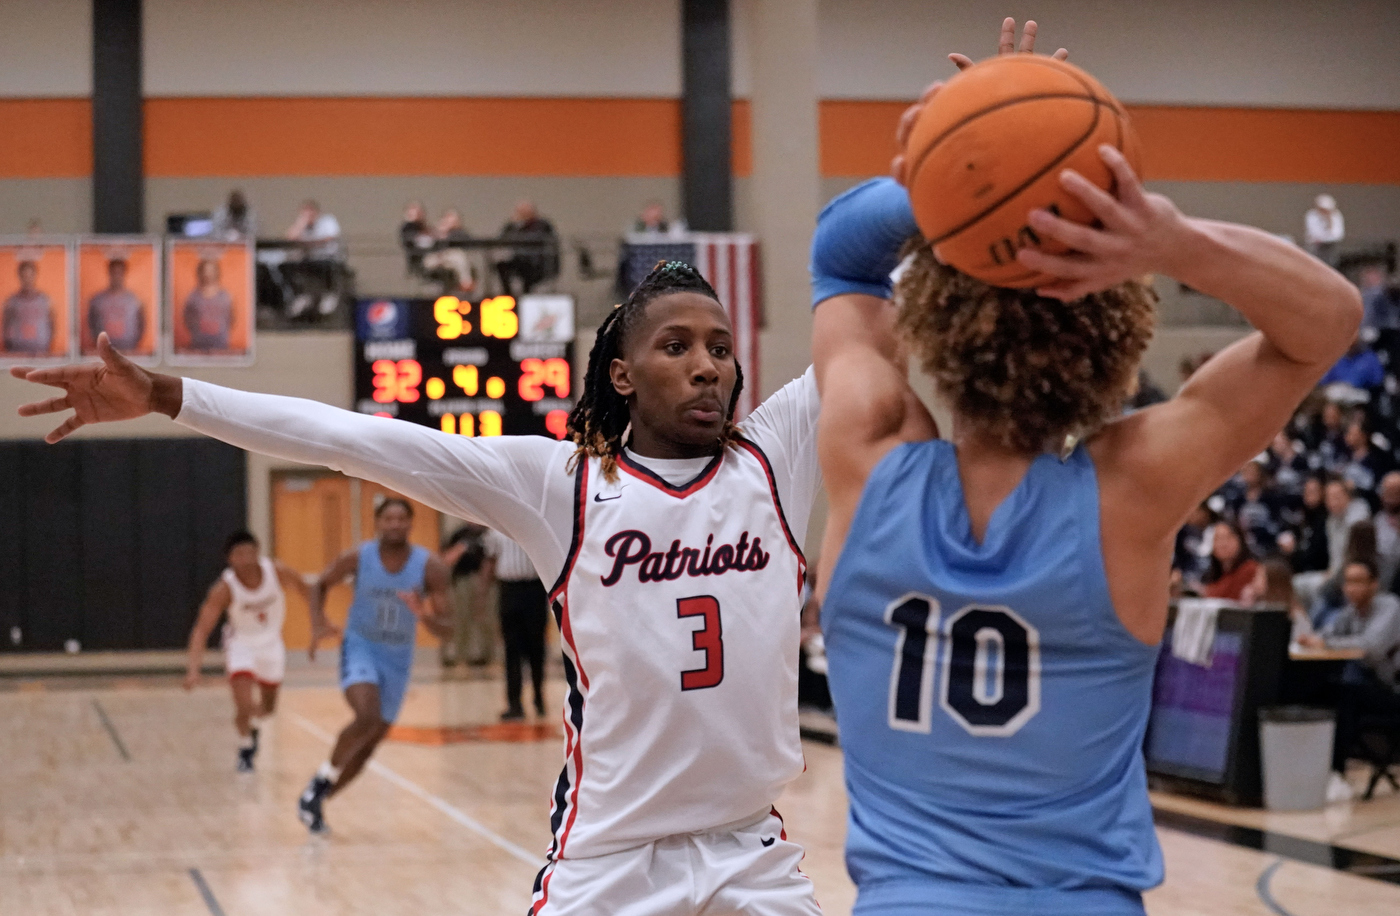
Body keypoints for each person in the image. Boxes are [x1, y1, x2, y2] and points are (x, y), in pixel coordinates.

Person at [12, 257, 829, 915]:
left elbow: (880, 321)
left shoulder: (775, 456)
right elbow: (351, 438)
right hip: (612, 856)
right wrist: (169, 394)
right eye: (677, 347)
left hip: (750, 848)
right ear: (621, 375)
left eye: (720, 348)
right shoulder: (561, 484)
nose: (706, 367)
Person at [809, 19, 1361, 914]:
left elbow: (839, 254)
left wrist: (964, 167)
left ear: (933, 329)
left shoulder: (865, 459)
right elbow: (1326, 321)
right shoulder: (1132, 492)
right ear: (1113, 340)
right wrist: (1164, 236)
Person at [296, 498, 453, 834]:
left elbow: (448, 628)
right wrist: (318, 622)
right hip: (361, 646)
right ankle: (320, 782)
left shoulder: (431, 567)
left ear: (411, 524)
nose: (394, 524)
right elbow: (320, 584)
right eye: (388, 518)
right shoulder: (359, 556)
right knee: (366, 716)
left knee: (368, 747)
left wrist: (423, 614)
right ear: (378, 522)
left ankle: (316, 801)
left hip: (398, 658)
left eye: (401, 519)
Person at [183, 530, 310, 772]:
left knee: (268, 709)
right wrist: (193, 671)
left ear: (258, 552)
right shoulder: (223, 589)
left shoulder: (278, 571)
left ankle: (253, 727)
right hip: (242, 643)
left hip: (272, 643)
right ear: (229, 559)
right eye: (239, 554)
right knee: (242, 704)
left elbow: (305, 589)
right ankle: (245, 746)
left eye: (250, 552)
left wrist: (319, 621)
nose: (245, 558)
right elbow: (201, 630)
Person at [1298, 558, 1400, 800]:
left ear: (1374, 584)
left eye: (1358, 582)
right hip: (1371, 685)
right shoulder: (1351, 611)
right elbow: (1326, 634)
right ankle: (1314, 770)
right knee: (1324, 691)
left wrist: (1325, 643)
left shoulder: (1390, 607)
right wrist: (1315, 639)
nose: (1351, 588)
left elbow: (1371, 647)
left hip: (1394, 689)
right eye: (1347, 582)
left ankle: (1338, 773)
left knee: (1346, 696)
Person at [483, 529, 548, 719]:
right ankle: (514, 704)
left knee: (537, 649)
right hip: (509, 591)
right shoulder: (495, 530)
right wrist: (483, 594)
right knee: (512, 650)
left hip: (535, 589)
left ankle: (538, 697)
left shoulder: (534, 528)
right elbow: (490, 561)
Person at [440, 523, 494, 668]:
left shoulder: (489, 533)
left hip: (488, 581)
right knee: (462, 618)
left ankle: (489, 657)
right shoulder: (459, 533)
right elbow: (446, 558)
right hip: (463, 579)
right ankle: (460, 658)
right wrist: (459, 550)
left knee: (488, 619)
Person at [284, 199, 344, 317]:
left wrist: (309, 244)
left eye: (310, 212)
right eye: (304, 213)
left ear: (316, 212)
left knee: (325, 266)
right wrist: (301, 224)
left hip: (328, 259)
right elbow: (289, 238)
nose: (308, 215)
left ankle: (329, 295)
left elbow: (329, 238)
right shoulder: (303, 224)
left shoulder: (328, 221)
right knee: (288, 266)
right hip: (308, 260)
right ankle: (302, 295)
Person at [495, 199, 558, 295]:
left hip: (537, 262)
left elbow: (534, 239)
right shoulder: (513, 226)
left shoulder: (542, 225)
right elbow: (503, 239)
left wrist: (519, 228)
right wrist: (515, 226)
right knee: (501, 264)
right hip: (518, 259)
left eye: (523, 211)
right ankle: (508, 294)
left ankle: (526, 294)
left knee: (526, 269)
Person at [87, 257, 145, 353]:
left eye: (119, 273)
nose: (116, 276)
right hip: (105, 351)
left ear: (124, 274)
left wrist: (134, 344)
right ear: (109, 273)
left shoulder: (135, 300)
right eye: (114, 272)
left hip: (129, 350)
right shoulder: (97, 300)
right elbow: (91, 323)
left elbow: (142, 323)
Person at [2, 259, 54, 356]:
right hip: (16, 353)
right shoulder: (11, 302)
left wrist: (47, 346)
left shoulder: (45, 300)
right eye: (24, 276)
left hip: (40, 353)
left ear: (35, 276)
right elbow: (6, 325)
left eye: (30, 275)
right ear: (19, 276)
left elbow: (52, 324)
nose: (27, 279)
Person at [182, 259, 234, 352]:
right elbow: (187, 318)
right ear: (200, 273)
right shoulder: (193, 297)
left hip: (220, 346)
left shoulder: (225, 296)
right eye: (205, 271)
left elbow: (232, 318)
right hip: (198, 346)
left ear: (216, 272)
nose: (208, 274)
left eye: (211, 271)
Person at [1201, 519, 1259, 601]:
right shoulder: (1211, 576)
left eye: (1228, 537)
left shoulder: (1251, 569)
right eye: (1217, 538)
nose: (1223, 544)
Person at [421, 208, 475, 293]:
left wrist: (447, 236)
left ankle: (466, 283)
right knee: (428, 261)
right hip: (436, 257)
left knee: (459, 256)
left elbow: (466, 243)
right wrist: (439, 234)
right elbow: (428, 244)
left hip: (451, 258)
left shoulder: (460, 232)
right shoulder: (436, 231)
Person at [1319, 334, 1384, 390]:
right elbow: (1324, 380)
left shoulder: (1370, 358)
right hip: (1335, 392)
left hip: (1360, 394)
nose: (1351, 346)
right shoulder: (1336, 357)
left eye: (1354, 343)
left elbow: (1377, 381)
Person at [1305, 193, 1345, 266]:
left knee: (1330, 265)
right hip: (1316, 246)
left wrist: (1330, 222)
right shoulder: (1312, 215)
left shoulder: (1336, 215)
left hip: (1330, 246)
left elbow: (1337, 234)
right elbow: (1314, 233)